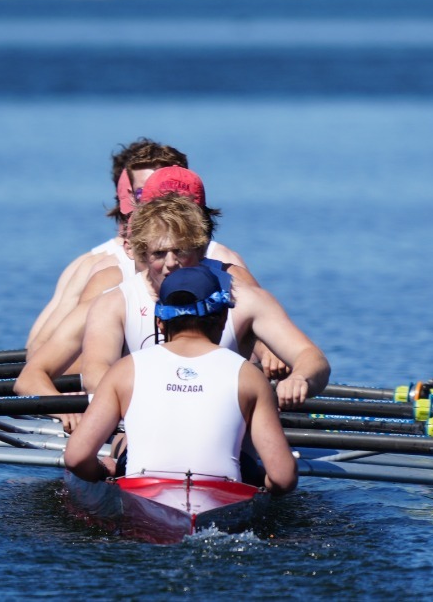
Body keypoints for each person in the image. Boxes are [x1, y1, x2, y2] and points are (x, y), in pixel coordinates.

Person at [64, 192, 329, 409]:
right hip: (141, 423)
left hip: (227, 428)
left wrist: (299, 378)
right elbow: (96, 374)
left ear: (200, 249)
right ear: (142, 254)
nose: (170, 264)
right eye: (159, 253)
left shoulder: (242, 298)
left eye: (180, 251)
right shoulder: (114, 303)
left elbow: (311, 358)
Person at [62, 265, 298, 495]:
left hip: (141, 493)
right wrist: (259, 483)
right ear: (223, 317)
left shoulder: (124, 370)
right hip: (224, 493)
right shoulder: (250, 376)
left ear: (160, 322)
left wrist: (104, 471)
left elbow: (76, 457)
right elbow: (283, 477)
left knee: (121, 445)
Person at [25, 140, 247, 351]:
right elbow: (39, 349)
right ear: (129, 196)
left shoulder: (226, 263)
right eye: (146, 192)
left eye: (173, 192)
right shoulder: (100, 270)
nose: (166, 203)